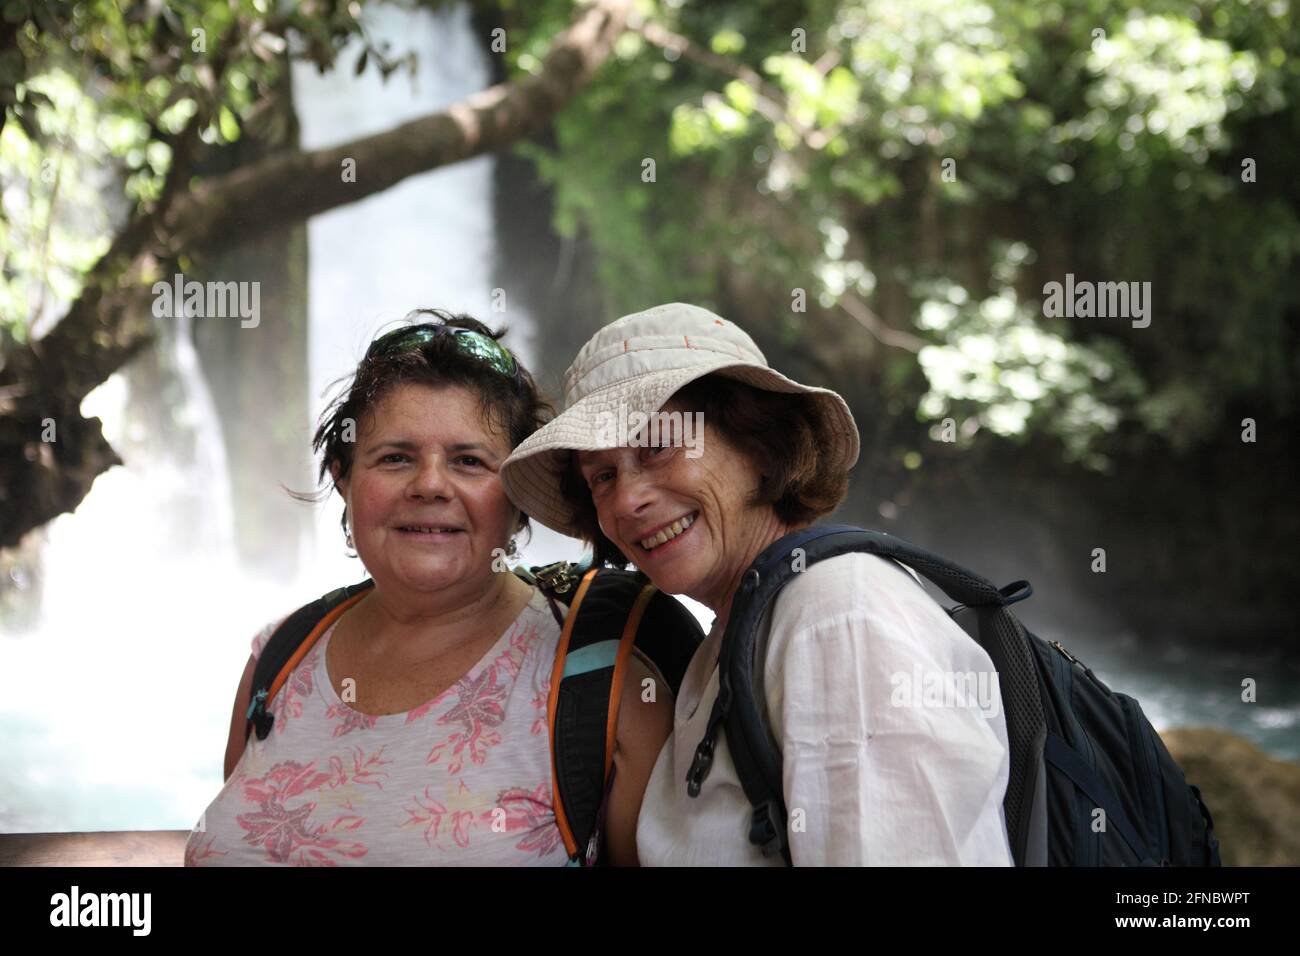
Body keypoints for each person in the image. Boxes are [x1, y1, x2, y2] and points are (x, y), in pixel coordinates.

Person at [500, 302, 1015, 865]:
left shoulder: (837, 615)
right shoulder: (736, 637)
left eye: (659, 447)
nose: (627, 500)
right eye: (602, 476)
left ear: (758, 443)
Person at [185, 310, 672, 866]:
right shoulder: (280, 658)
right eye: (395, 458)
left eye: (469, 461)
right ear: (344, 477)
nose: (431, 485)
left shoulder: (606, 690)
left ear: (519, 496)